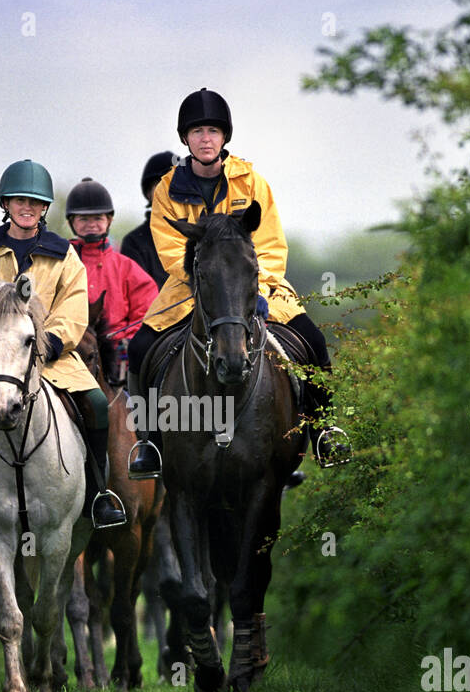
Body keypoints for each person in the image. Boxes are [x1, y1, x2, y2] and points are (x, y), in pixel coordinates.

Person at [125, 88, 350, 478]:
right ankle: (149, 442)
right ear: (185, 139)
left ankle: (322, 429)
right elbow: (170, 248)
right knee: (142, 349)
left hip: (255, 286)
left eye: (213, 130)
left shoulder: (253, 182)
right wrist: (205, 285)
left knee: (313, 340)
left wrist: (259, 292)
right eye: (197, 132)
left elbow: (270, 245)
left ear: (224, 136)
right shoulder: (166, 189)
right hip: (190, 288)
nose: (206, 138)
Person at [0, 159, 127, 529]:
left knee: (97, 404)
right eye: (19, 200)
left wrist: (49, 343)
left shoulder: (64, 255)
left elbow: (73, 310)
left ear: (45, 209)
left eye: (36, 203)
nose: (27, 208)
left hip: (51, 359)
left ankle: (97, 495)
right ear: (5, 204)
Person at [64, 177, 158, 386]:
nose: (91, 225)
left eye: (97, 218)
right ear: (72, 222)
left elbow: (147, 310)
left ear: (109, 220)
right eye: (83, 219)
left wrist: (130, 341)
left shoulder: (126, 267)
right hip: (71, 351)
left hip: (118, 354)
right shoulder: (62, 264)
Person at [119, 151, 176, 291]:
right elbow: (139, 296)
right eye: (161, 185)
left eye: (174, 184)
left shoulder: (199, 236)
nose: (167, 192)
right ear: (148, 193)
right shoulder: (134, 243)